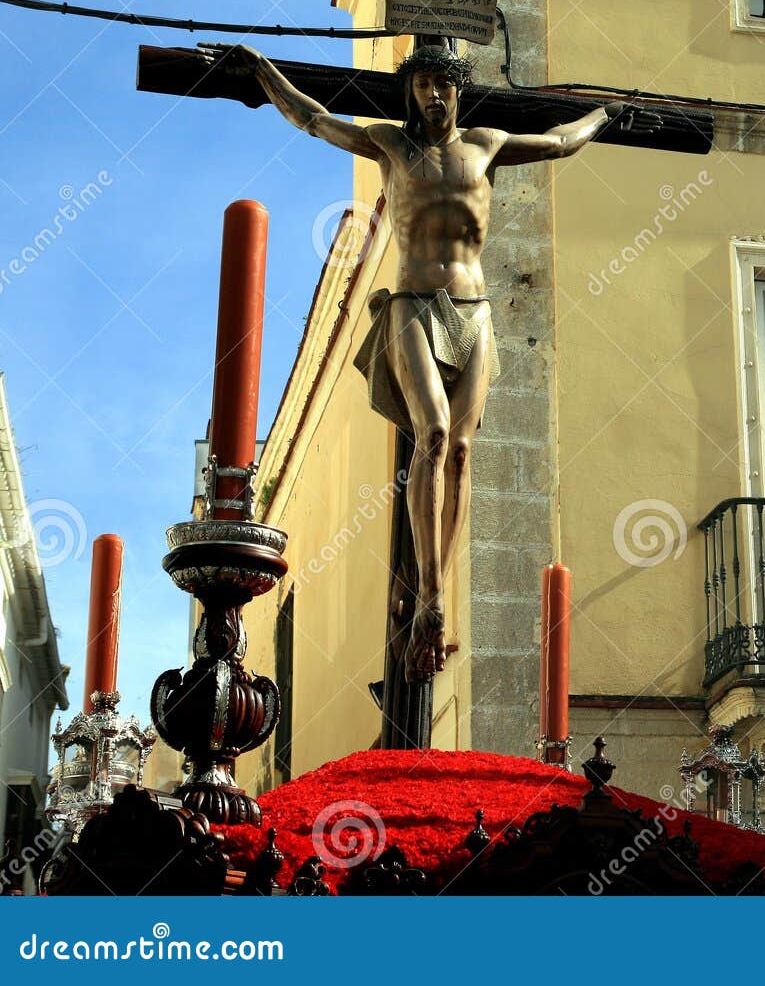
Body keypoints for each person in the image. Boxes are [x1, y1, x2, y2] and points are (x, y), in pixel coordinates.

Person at [198, 40, 661, 679]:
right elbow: (315, 119)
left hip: (475, 310)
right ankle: (428, 589)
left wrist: (605, 115)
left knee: (463, 450)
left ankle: (438, 592)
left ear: (458, 90)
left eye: (442, 84)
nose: (432, 95)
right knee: (434, 434)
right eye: (420, 85)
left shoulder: (488, 143)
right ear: (410, 93)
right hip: (413, 304)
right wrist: (262, 71)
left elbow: (558, 143)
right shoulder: (391, 145)